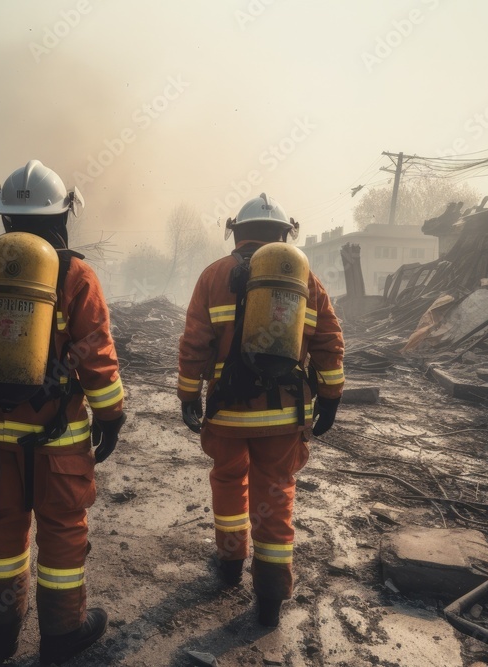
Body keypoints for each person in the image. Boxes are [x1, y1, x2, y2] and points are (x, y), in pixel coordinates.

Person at [0, 160, 125, 664]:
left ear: (4, 215)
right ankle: (61, 635)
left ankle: (3, 630)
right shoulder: (75, 274)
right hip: (55, 440)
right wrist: (111, 416)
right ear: (60, 215)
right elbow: (97, 353)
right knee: (61, 529)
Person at [177, 193, 344, 627]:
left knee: (230, 484)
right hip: (284, 417)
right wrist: (330, 396)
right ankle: (270, 594)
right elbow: (328, 341)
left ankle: (230, 565)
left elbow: (195, 342)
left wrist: (188, 394)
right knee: (276, 494)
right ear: (285, 234)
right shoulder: (306, 279)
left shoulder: (214, 275)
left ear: (237, 232)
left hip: (228, 414)